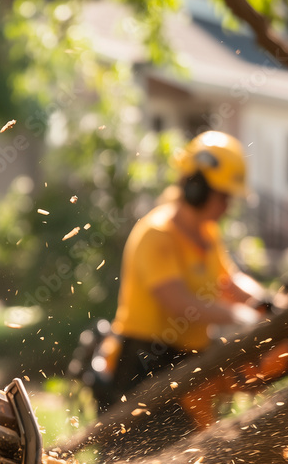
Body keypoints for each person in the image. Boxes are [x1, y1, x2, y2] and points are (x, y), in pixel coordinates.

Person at [92, 131, 277, 440]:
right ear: (196, 187)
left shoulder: (206, 235)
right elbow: (178, 302)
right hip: (143, 363)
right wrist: (239, 316)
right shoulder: (158, 233)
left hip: (187, 362)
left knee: (190, 462)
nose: (227, 205)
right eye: (223, 195)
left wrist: (266, 302)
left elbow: (228, 280)